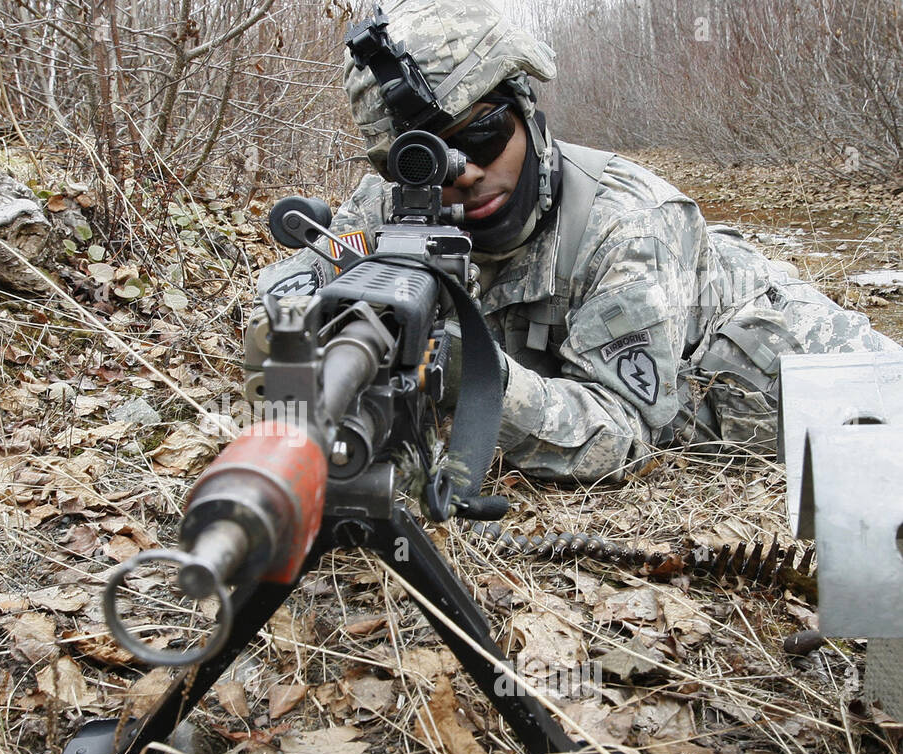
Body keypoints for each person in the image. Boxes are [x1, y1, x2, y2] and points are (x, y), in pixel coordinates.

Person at [256, 0, 900, 483]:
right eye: (421, 158)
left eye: (482, 136)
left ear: (528, 110)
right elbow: (293, 296)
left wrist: (465, 373)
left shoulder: (627, 224)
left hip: (805, 378)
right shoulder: (392, 206)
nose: (466, 175)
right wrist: (297, 326)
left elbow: (620, 435)